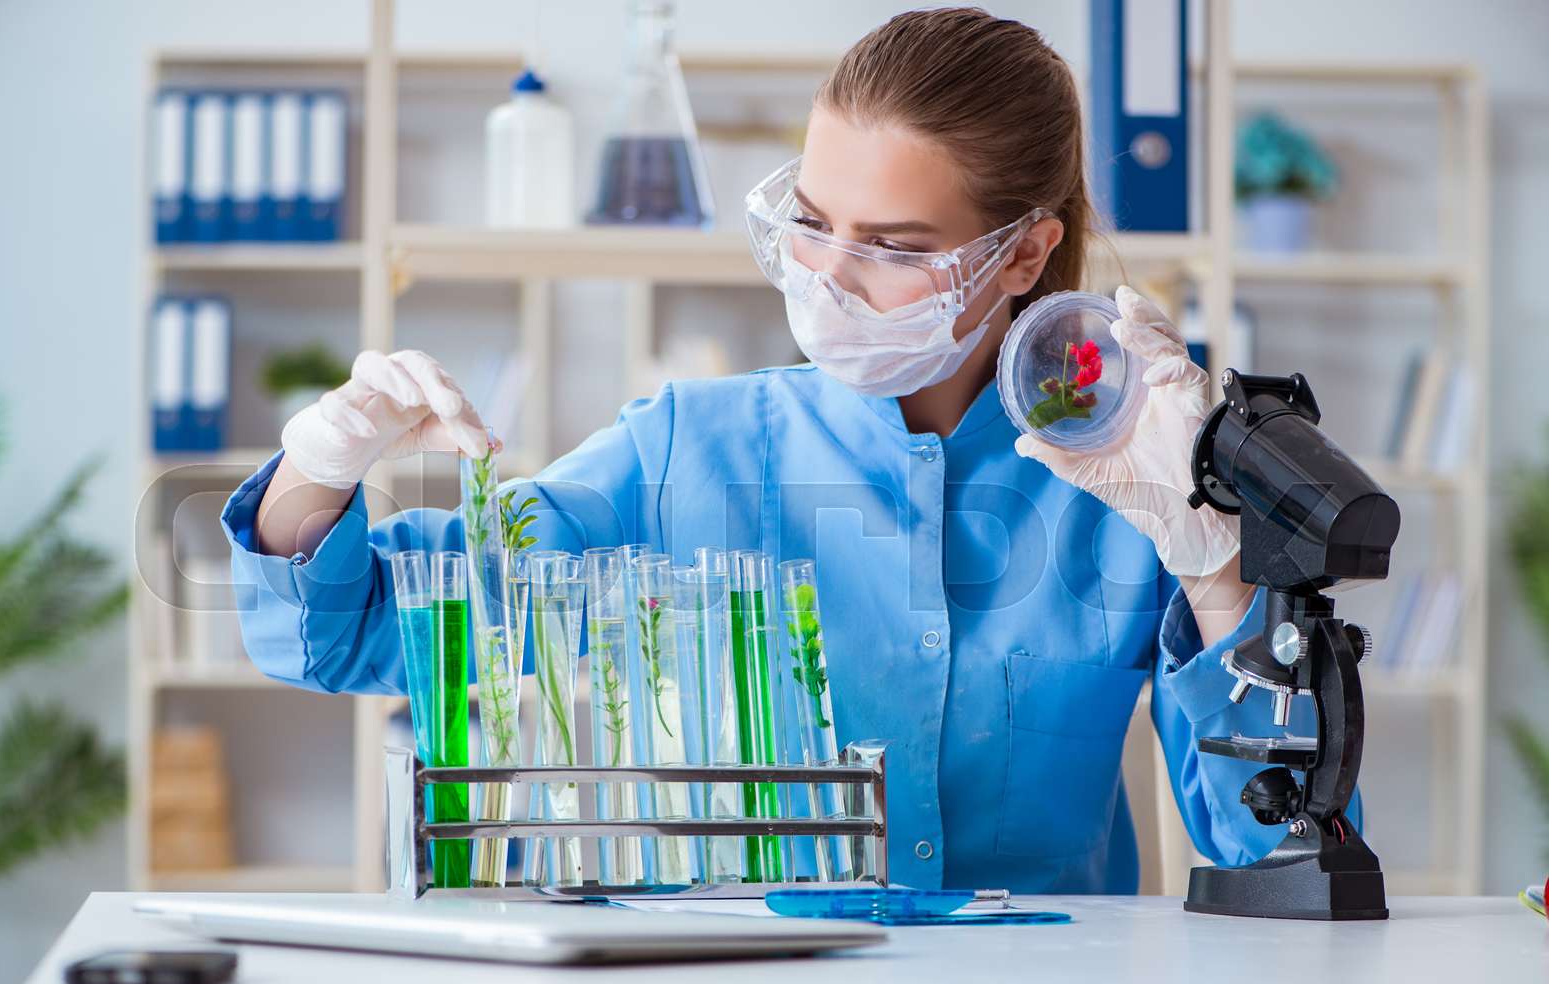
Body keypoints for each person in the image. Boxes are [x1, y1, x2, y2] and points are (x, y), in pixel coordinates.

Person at [223, 7, 1357, 893]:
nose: (828, 276)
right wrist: (320, 468)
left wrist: (1216, 572)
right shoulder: (683, 452)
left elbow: (1286, 860)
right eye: (812, 222)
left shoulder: (1129, 493)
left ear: (1023, 256)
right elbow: (358, 634)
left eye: (893, 246)